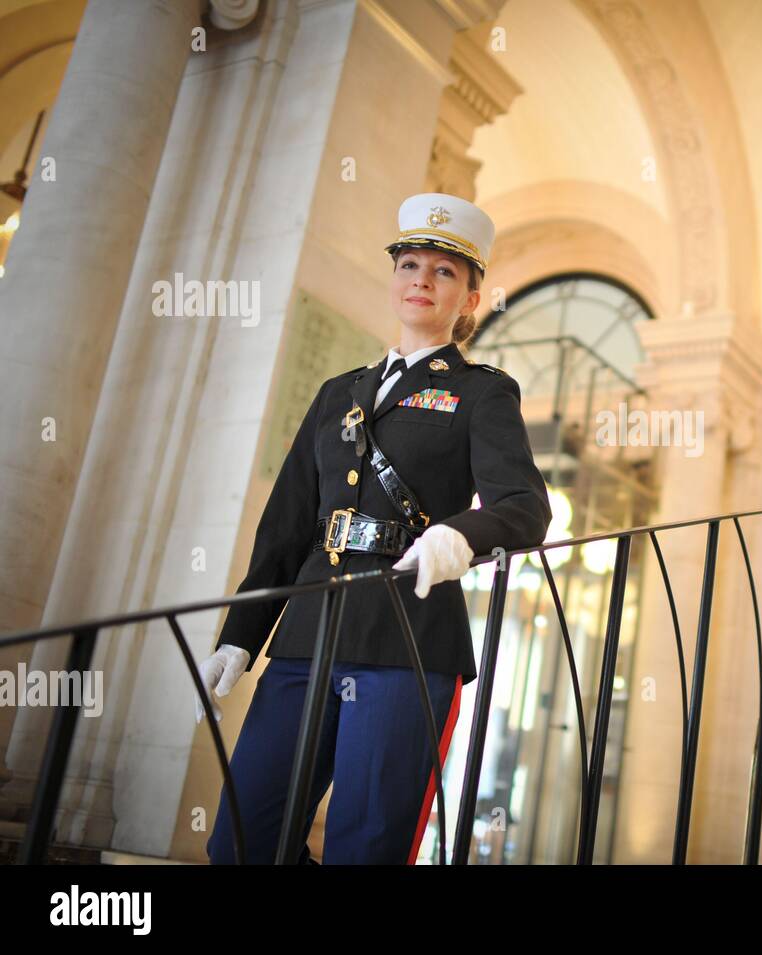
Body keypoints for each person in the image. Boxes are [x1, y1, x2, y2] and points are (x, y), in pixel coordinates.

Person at [196, 192, 552, 864]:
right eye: (410, 263)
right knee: (243, 841)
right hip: (306, 634)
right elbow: (287, 525)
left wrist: (463, 536)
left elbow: (526, 507)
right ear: (393, 278)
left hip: (405, 641)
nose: (422, 278)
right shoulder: (340, 393)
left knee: (366, 847)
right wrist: (242, 635)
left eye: (444, 271)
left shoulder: (482, 392)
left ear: (471, 297)